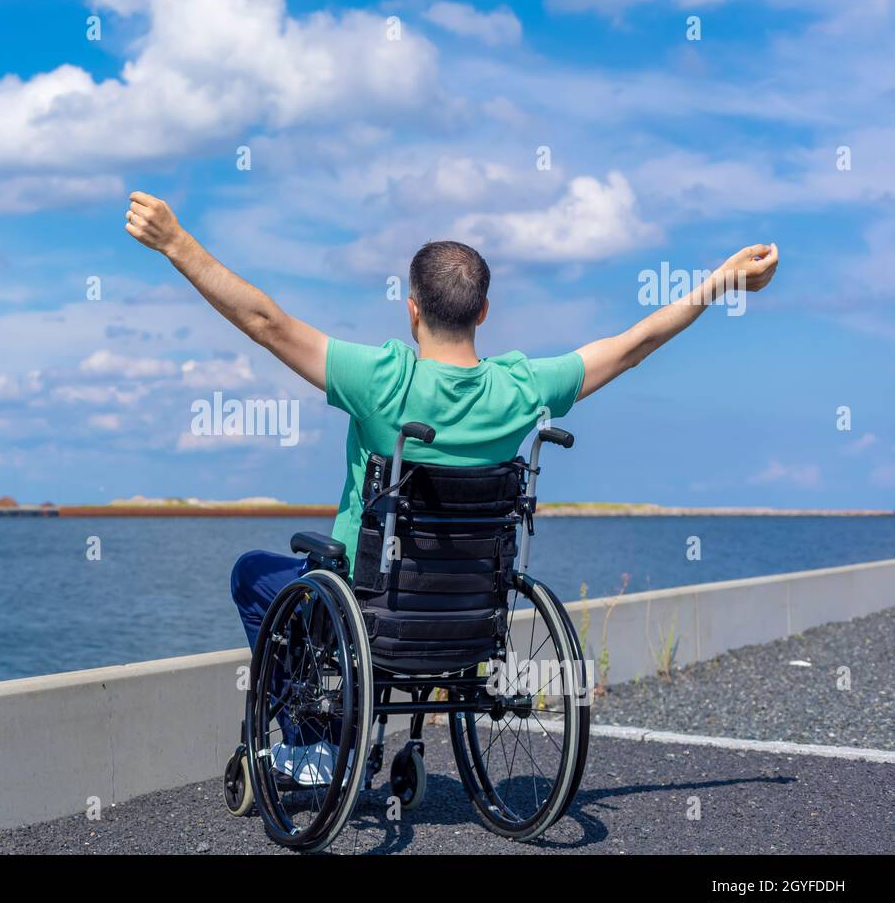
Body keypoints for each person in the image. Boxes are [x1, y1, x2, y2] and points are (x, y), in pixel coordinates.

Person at [125, 190, 779, 784]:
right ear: (484, 311)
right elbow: (633, 346)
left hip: (367, 612)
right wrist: (720, 282)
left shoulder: (380, 379)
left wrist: (175, 242)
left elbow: (265, 321)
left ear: (412, 308)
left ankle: (315, 741)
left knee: (252, 574)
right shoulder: (524, 387)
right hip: (469, 621)